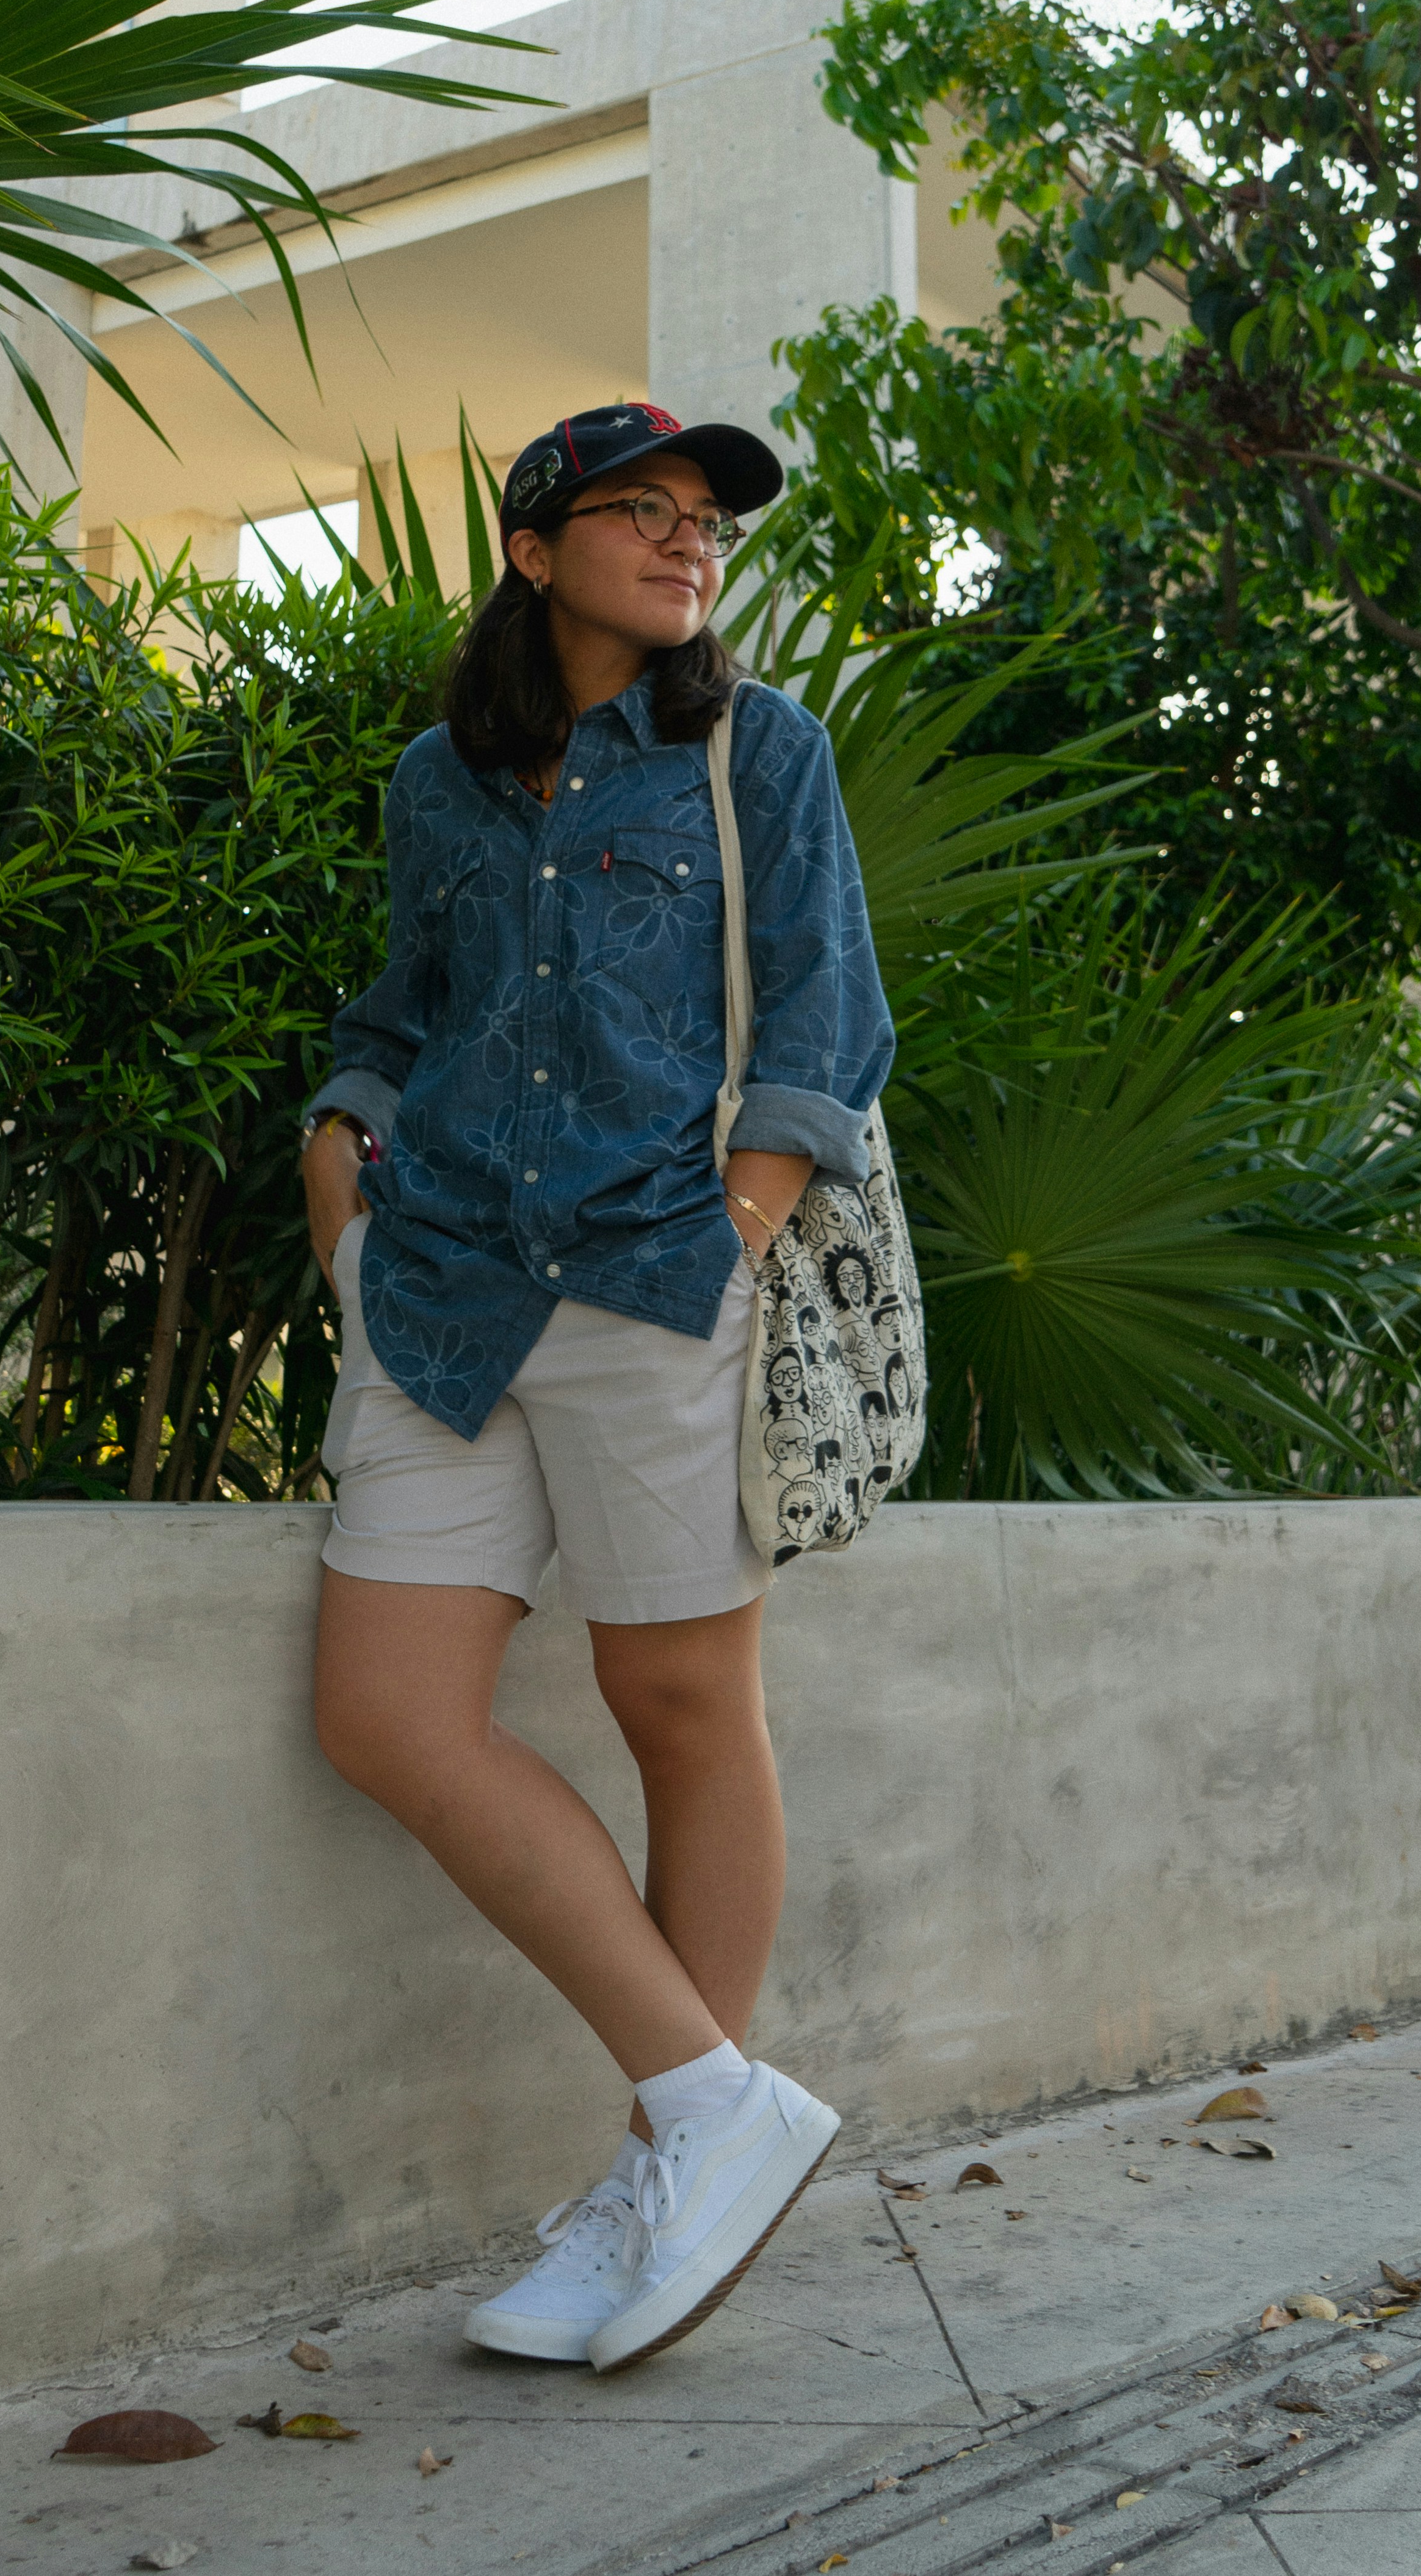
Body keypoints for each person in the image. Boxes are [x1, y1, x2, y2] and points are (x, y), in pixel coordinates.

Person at [299, 401, 892, 2375]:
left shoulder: (757, 748)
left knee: (678, 1701)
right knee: (387, 1712)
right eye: (639, 509)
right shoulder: (437, 782)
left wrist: (739, 1211)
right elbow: (405, 1007)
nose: (687, 536)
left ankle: (666, 2160)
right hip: (445, 1289)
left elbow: (824, 1011)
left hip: (659, 1272)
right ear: (536, 547)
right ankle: (722, 2106)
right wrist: (344, 1152)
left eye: (703, 514)